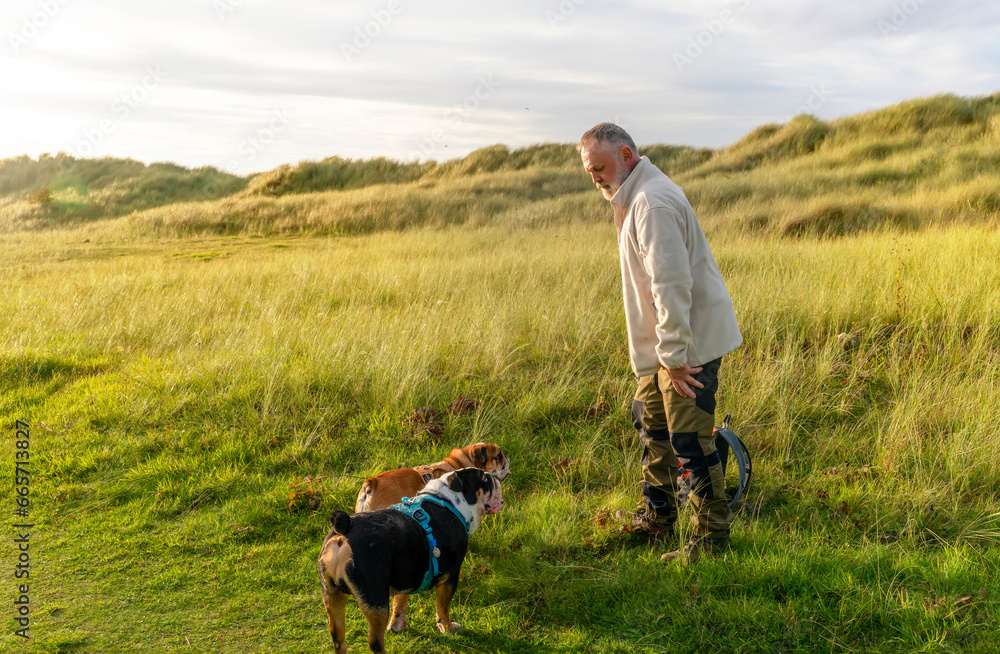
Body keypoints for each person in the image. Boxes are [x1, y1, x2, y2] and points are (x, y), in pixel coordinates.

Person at [577, 123, 743, 562]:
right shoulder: (633, 198)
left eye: (599, 166)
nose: (594, 176)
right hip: (663, 352)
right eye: (589, 170)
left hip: (688, 351)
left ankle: (710, 542)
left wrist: (671, 357)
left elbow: (671, 286)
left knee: (689, 441)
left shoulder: (651, 203)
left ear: (627, 155)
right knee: (652, 429)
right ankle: (658, 520)